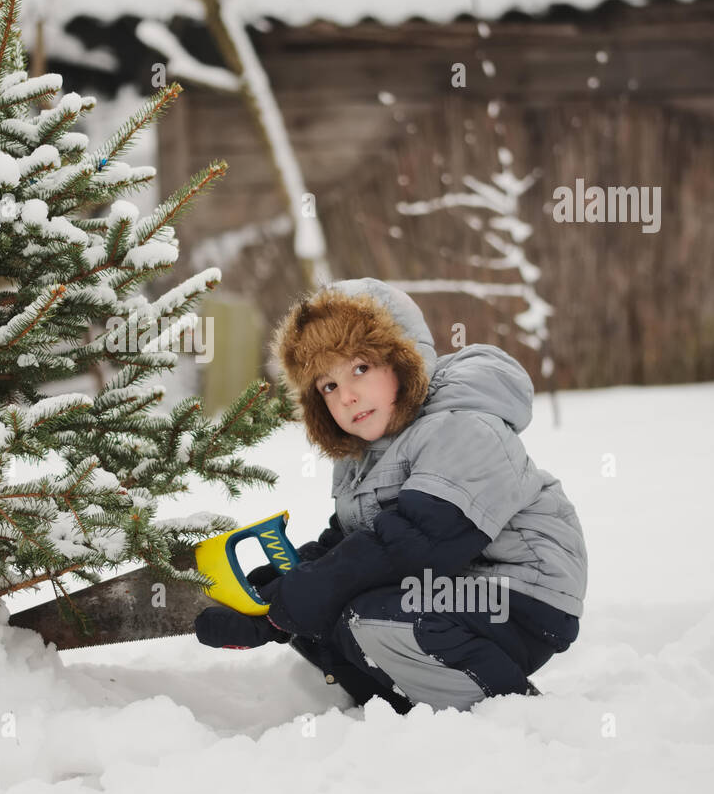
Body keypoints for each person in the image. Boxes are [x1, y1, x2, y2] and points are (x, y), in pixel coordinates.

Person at [194, 278, 587, 715]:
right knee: (329, 612)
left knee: (369, 617)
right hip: (448, 586)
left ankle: (509, 711)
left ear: (404, 360)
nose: (347, 396)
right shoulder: (366, 455)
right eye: (327, 386)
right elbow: (349, 545)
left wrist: (311, 590)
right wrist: (275, 599)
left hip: (520, 594)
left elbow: (417, 543)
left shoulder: (464, 426)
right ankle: (396, 708)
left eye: (360, 368)